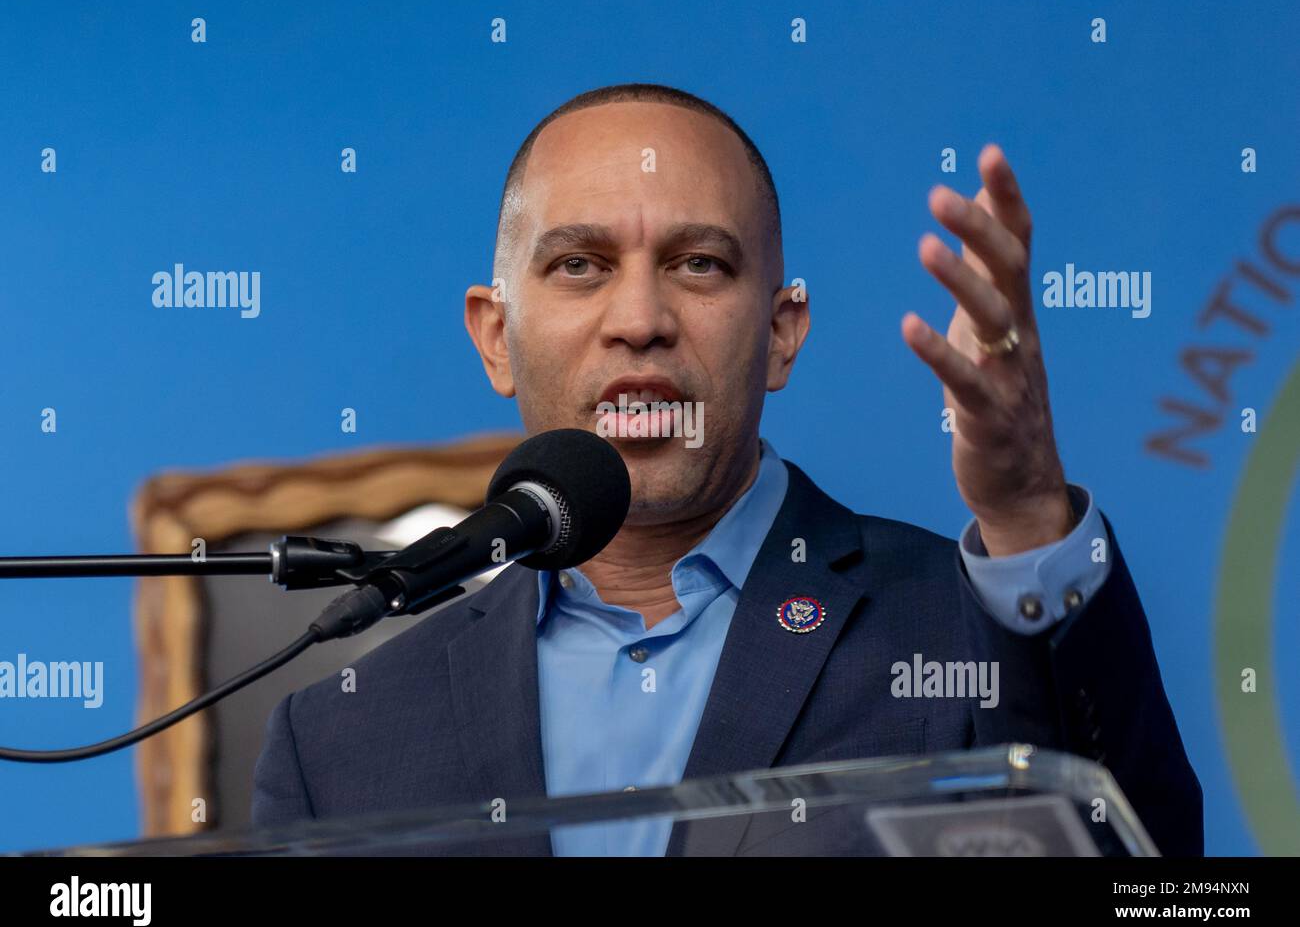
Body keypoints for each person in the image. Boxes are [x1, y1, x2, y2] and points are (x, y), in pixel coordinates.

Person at [252, 83, 1202, 856]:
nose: (640, 318)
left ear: (782, 335)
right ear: (496, 338)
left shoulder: (963, 633)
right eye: (580, 265)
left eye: (699, 265)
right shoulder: (340, 738)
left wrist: (1032, 510)